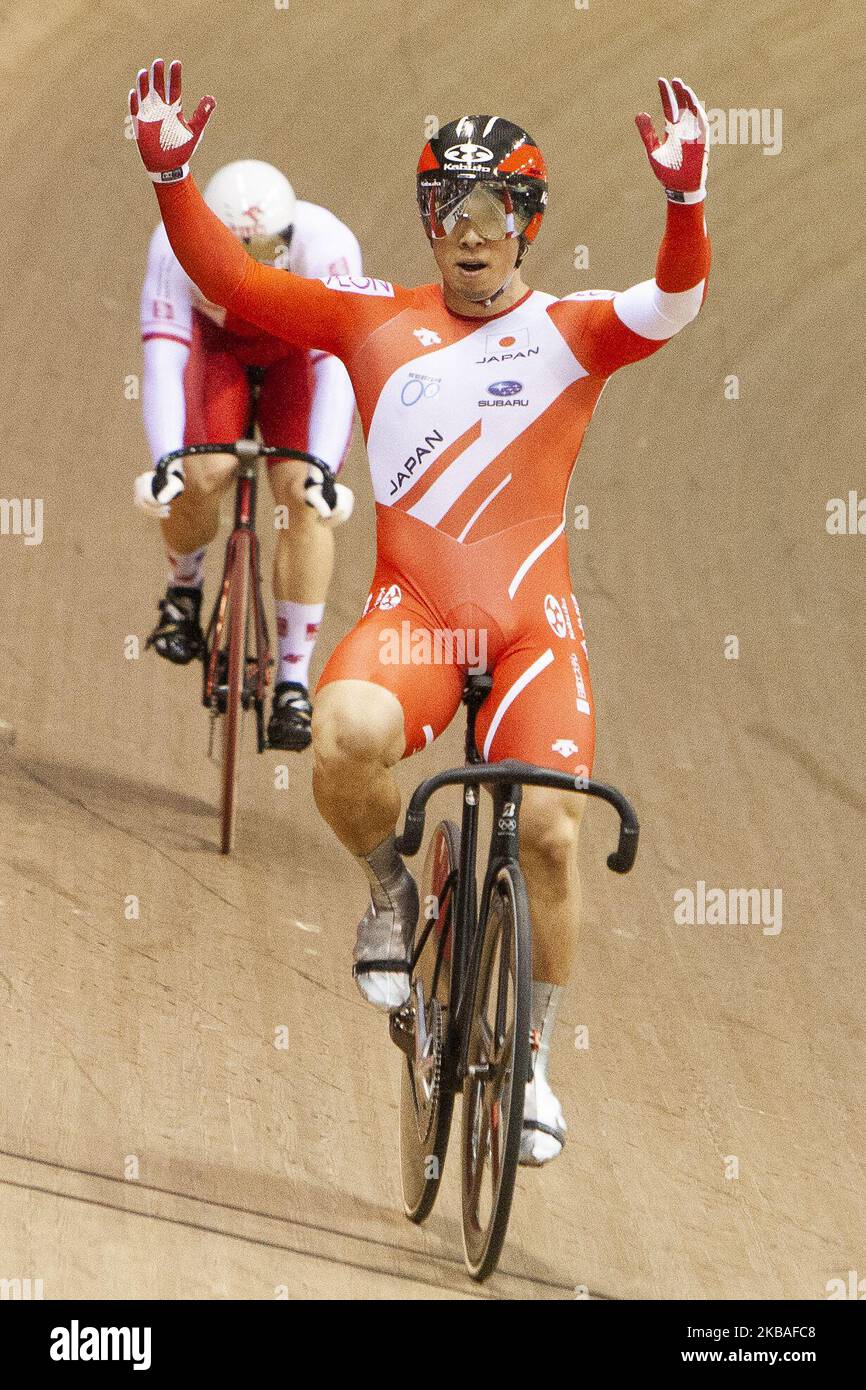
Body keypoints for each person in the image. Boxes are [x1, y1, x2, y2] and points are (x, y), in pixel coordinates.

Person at [129, 61, 711, 1165]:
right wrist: (171, 177)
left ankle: (532, 1057)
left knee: (547, 832)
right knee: (339, 736)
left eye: (493, 207)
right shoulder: (371, 317)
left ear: (528, 224)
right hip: (416, 616)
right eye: (448, 205)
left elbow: (674, 300)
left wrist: (683, 203)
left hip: (533, 631)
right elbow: (235, 285)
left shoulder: (573, 329)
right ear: (425, 219)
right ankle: (389, 892)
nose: (470, 228)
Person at [134, 157, 360, 750]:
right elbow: (163, 361)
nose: (251, 263)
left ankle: (292, 678)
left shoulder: (329, 245)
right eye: (235, 250)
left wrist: (325, 469)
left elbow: (335, 365)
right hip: (220, 351)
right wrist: (165, 460)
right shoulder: (174, 244)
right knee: (199, 471)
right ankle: (185, 589)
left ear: (290, 238)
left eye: (266, 249)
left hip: (295, 353)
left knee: (302, 499)